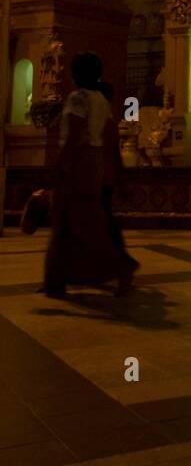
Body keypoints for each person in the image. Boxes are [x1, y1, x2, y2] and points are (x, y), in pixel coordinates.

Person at [43, 53, 137, 299]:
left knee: (82, 222)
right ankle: (55, 281)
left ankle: (121, 266)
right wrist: (116, 172)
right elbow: (109, 137)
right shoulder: (100, 100)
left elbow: (74, 137)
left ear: (76, 75)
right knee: (66, 222)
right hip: (94, 161)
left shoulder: (78, 98)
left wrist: (59, 167)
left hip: (79, 162)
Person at [96, 79, 138, 273]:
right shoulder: (104, 119)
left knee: (104, 221)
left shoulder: (108, 120)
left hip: (100, 179)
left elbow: (113, 154)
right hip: (99, 178)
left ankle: (122, 261)